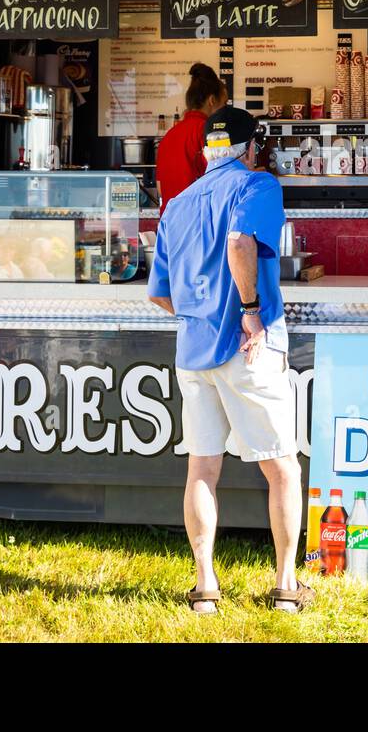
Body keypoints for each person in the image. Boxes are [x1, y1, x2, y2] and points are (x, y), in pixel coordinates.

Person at [148, 106, 311, 614]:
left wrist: (202, 313)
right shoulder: (257, 185)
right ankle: (286, 586)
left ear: (206, 151)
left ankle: (205, 588)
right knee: (281, 466)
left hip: (194, 351)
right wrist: (247, 312)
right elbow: (240, 241)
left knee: (202, 467)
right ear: (250, 146)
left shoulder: (176, 204)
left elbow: (160, 295)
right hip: (247, 346)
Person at [155, 63, 229, 214]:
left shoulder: (169, 135)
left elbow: (160, 189)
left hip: (170, 225)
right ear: (212, 101)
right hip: (199, 223)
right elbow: (225, 177)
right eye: (224, 103)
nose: (225, 109)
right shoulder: (214, 132)